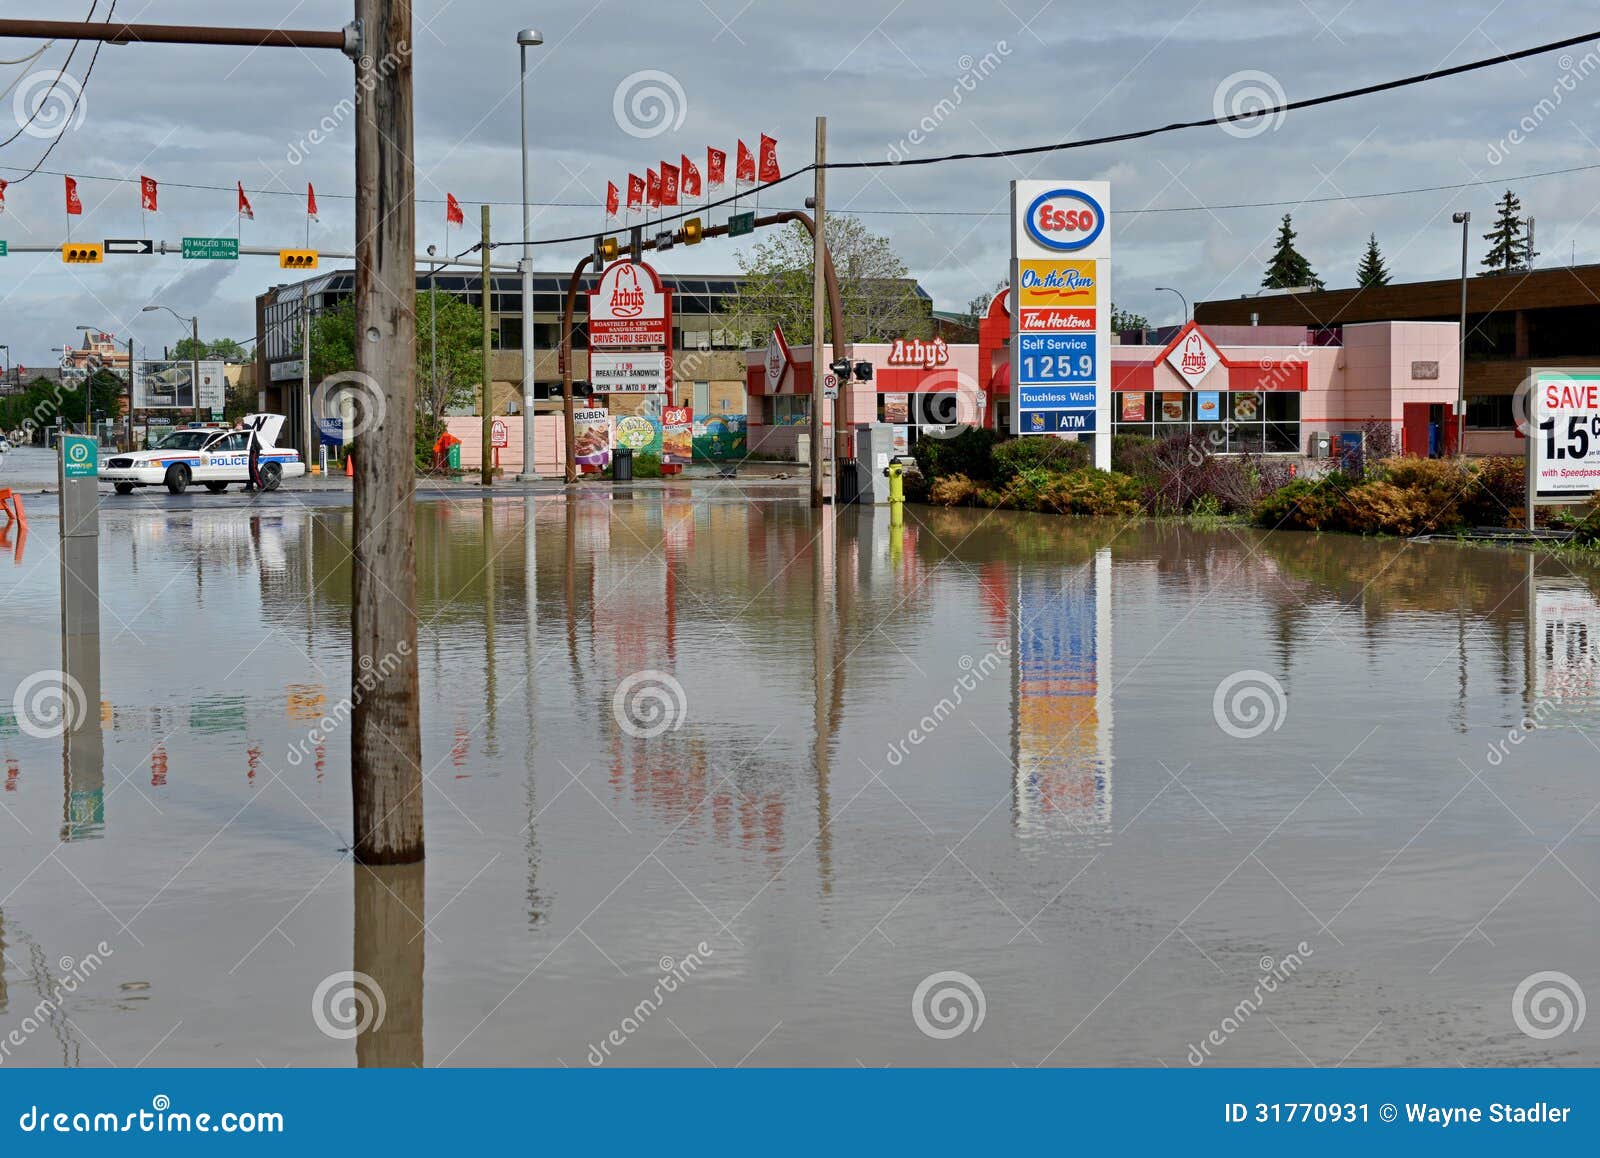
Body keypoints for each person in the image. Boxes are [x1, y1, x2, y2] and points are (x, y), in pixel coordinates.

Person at [245, 422, 264, 493]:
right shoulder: (246, 427)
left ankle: (261, 485)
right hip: (250, 451)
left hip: (253, 451)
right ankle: (249, 486)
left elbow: (243, 429)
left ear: (239, 423)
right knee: (249, 469)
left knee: (254, 469)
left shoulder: (247, 426)